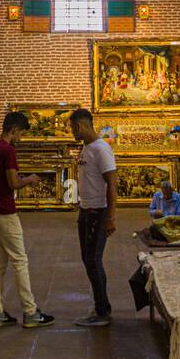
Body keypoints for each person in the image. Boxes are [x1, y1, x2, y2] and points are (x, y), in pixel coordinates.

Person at [0, 112, 54, 328]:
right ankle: (30, 312)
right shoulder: (7, 150)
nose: (20, 138)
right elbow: (13, 183)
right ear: (14, 129)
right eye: (20, 133)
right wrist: (29, 179)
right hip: (5, 212)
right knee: (20, 261)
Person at [70, 107, 117, 326]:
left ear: (80, 126)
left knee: (93, 260)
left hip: (98, 213)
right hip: (86, 211)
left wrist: (110, 217)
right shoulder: (86, 148)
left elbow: (112, 184)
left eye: (72, 128)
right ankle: (101, 307)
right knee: (88, 259)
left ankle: (102, 311)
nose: (72, 132)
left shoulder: (101, 149)